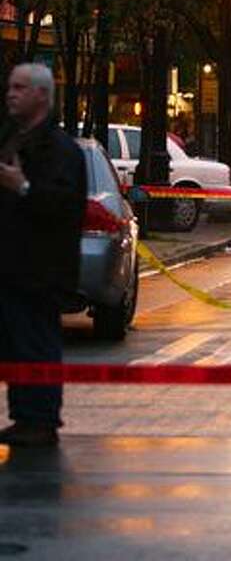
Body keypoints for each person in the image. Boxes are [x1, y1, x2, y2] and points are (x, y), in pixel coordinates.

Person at [0, 63, 87, 447]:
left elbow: (64, 206)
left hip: (40, 269)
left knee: (36, 340)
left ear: (41, 95)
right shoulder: (12, 139)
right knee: (16, 341)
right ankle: (24, 415)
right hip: (12, 265)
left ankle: (41, 418)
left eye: (20, 88)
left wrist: (23, 187)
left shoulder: (59, 149)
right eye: (10, 87)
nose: (11, 94)